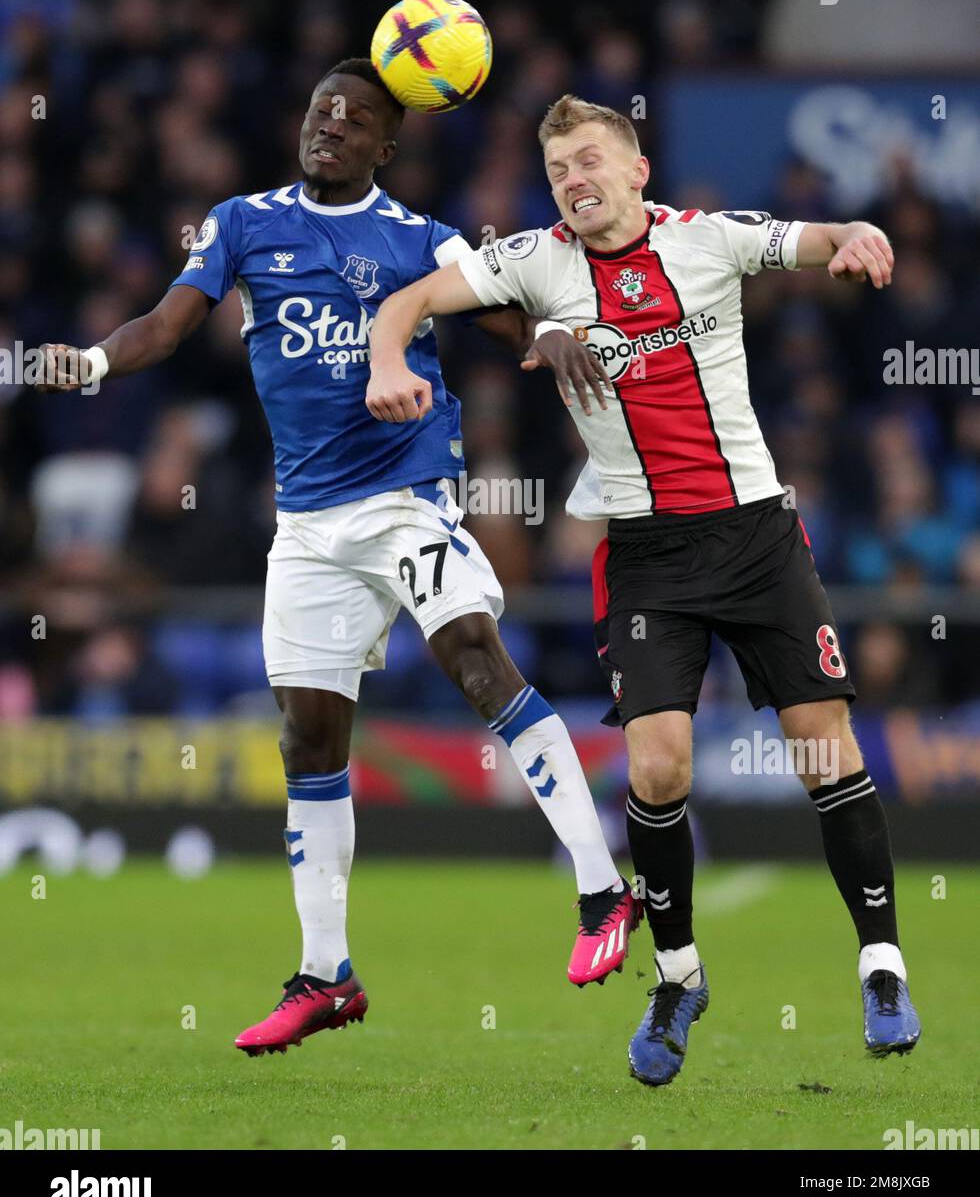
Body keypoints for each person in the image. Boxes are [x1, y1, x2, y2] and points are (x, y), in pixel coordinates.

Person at [37, 64, 640, 1057]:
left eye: (357, 117)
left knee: (479, 664)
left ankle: (597, 889)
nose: (332, 122)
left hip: (406, 501)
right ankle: (327, 975)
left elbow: (501, 315)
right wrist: (94, 361)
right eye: (321, 107)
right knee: (309, 743)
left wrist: (557, 337)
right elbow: (166, 323)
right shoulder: (239, 221)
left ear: (385, 148)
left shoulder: (419, 240)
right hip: (308, 526)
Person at [364, 93, 921, 1087]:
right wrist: (388, 360)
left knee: (820, 748)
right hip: (645, 555)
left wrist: (860, 236)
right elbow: (409, 296)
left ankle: (880, 966)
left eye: (587, 162)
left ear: (635, 172)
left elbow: (821, 233)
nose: (571, 182)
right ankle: (676, 976)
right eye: (555, 172)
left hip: (756, 536)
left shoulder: (709, 242)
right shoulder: (534, 261)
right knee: (657, 768)